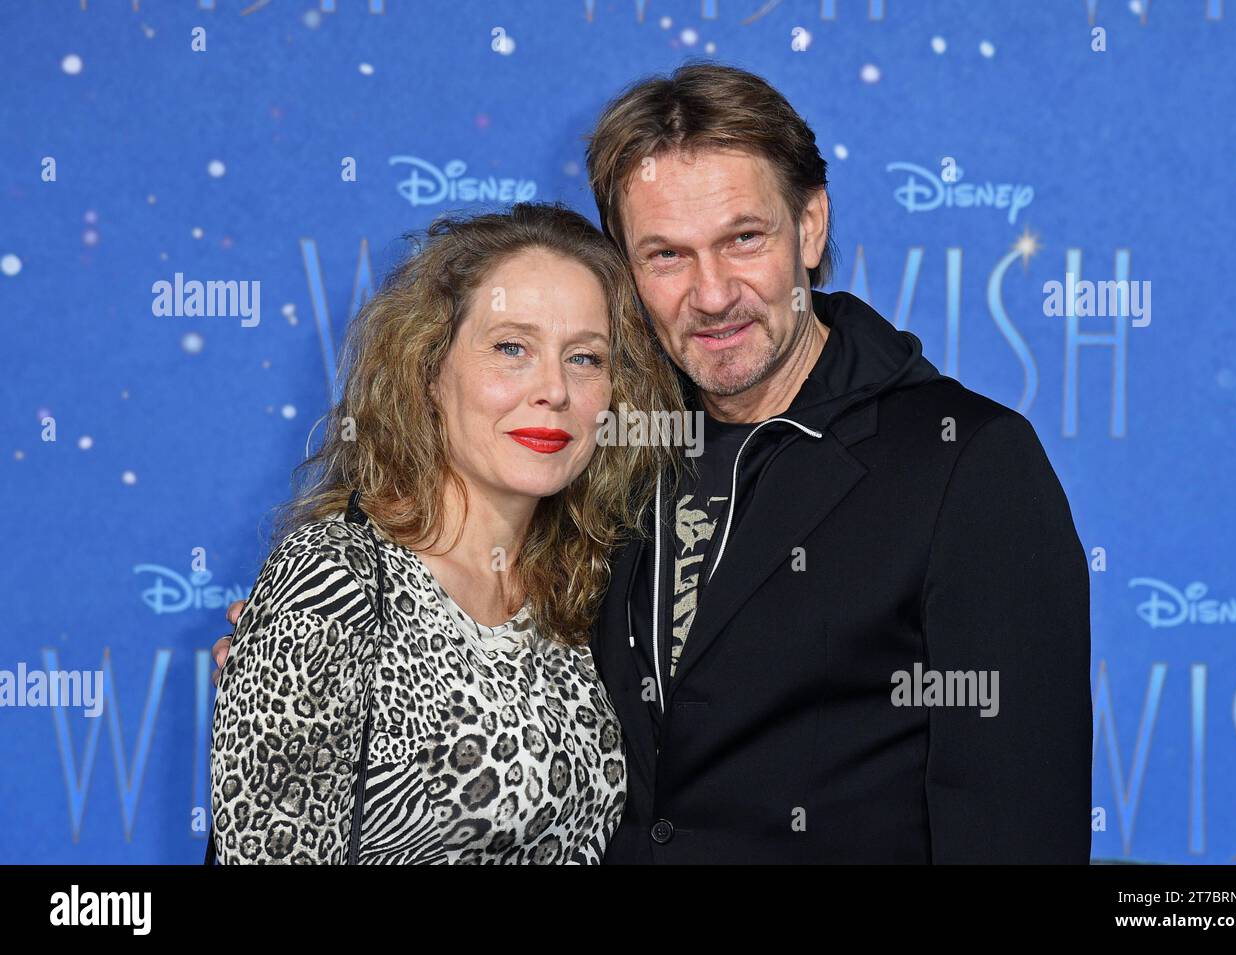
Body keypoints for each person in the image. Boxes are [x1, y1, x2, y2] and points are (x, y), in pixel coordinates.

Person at [216, 63, 1093, 864]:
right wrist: (307, 659)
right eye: (666, 254)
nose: (710, 294)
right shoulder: (613, 458)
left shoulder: (963, 462)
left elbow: (1018, 829)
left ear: (811, 225)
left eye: (743, 238)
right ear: (626, 267)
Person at [208, 202, 684, 863]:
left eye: (584, 357)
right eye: (511, 347)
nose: (553, 388)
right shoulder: (332, 576)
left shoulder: (586, 590)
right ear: (432, 369)